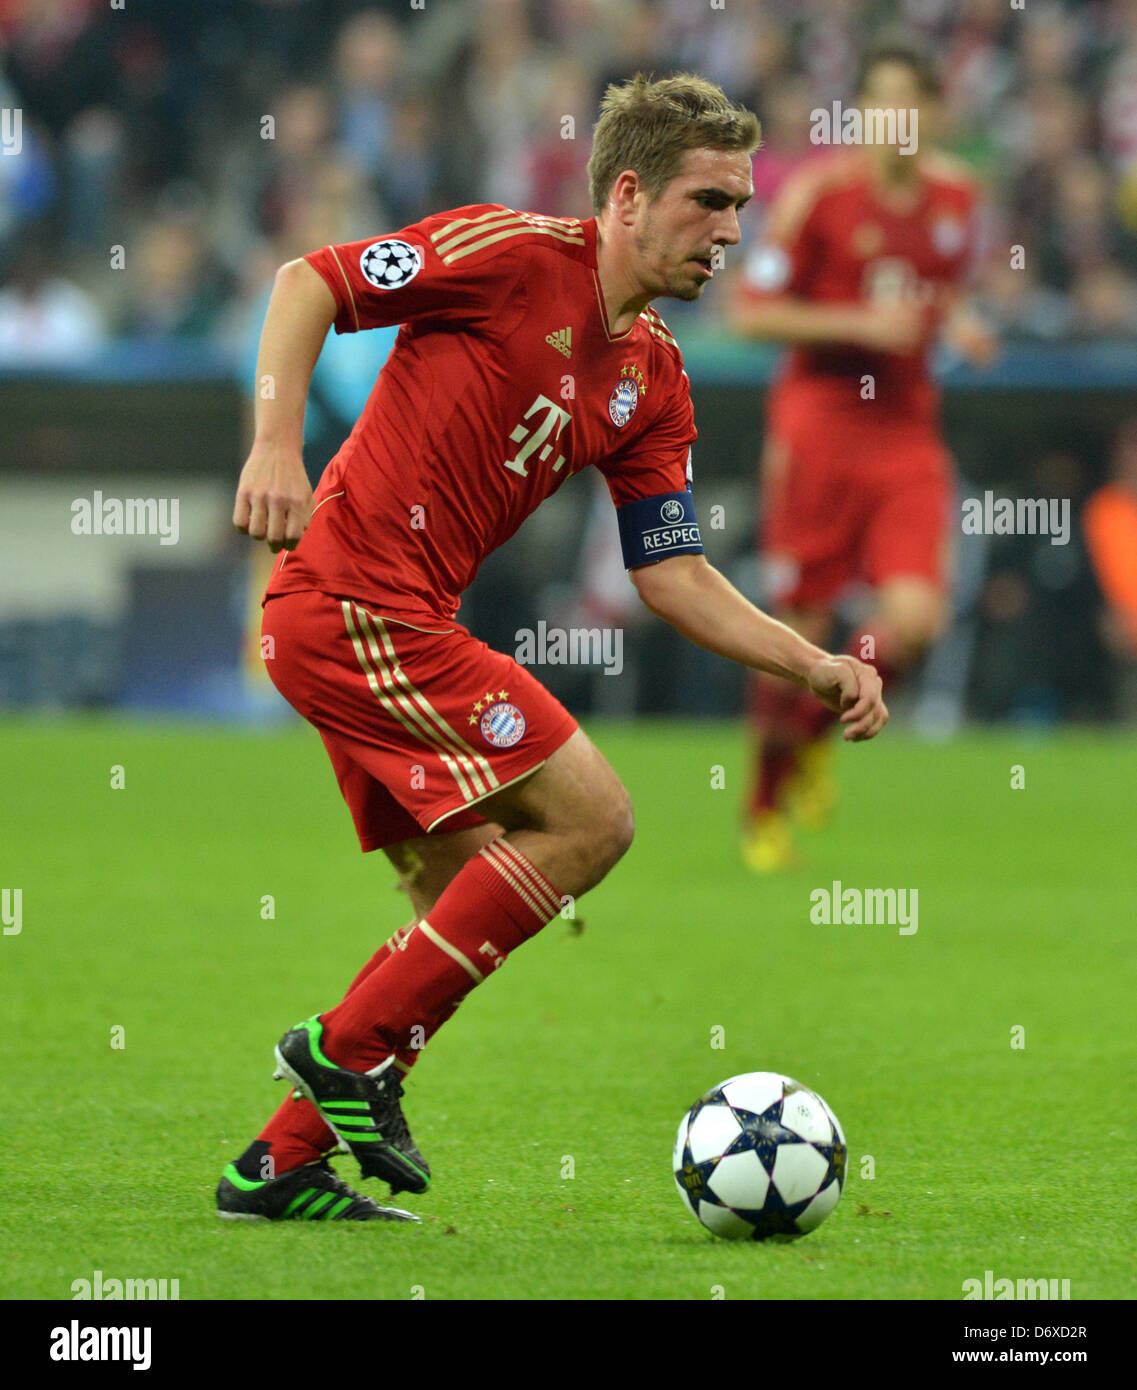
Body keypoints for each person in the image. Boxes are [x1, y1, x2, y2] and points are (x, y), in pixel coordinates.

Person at [222, 72, 887, 1224]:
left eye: (740, 206)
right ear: (627, 193)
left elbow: (671, 571)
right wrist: (276, 443)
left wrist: (809, 663)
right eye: (708, 201)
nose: (731, 231)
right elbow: (306, 283)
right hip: (350, 602)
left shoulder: (655, 377)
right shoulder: (513, 254)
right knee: (594, 821)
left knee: (458, 880)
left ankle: (278, 1164)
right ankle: (342, 1052)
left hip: (396, 618)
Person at [730, 40, 995, 872]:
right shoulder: (817, 196)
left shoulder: (957, 195)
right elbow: (749, 312)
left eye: (909, 104)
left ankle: (816, 735)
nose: (895, 121)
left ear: (932, 115)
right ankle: (764, 801)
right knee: (800, 637)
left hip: (905, 432)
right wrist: (855, 326)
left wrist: (955, 319)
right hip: (818, 431)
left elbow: (935, 283)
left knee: (913, 621)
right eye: (878, 103)